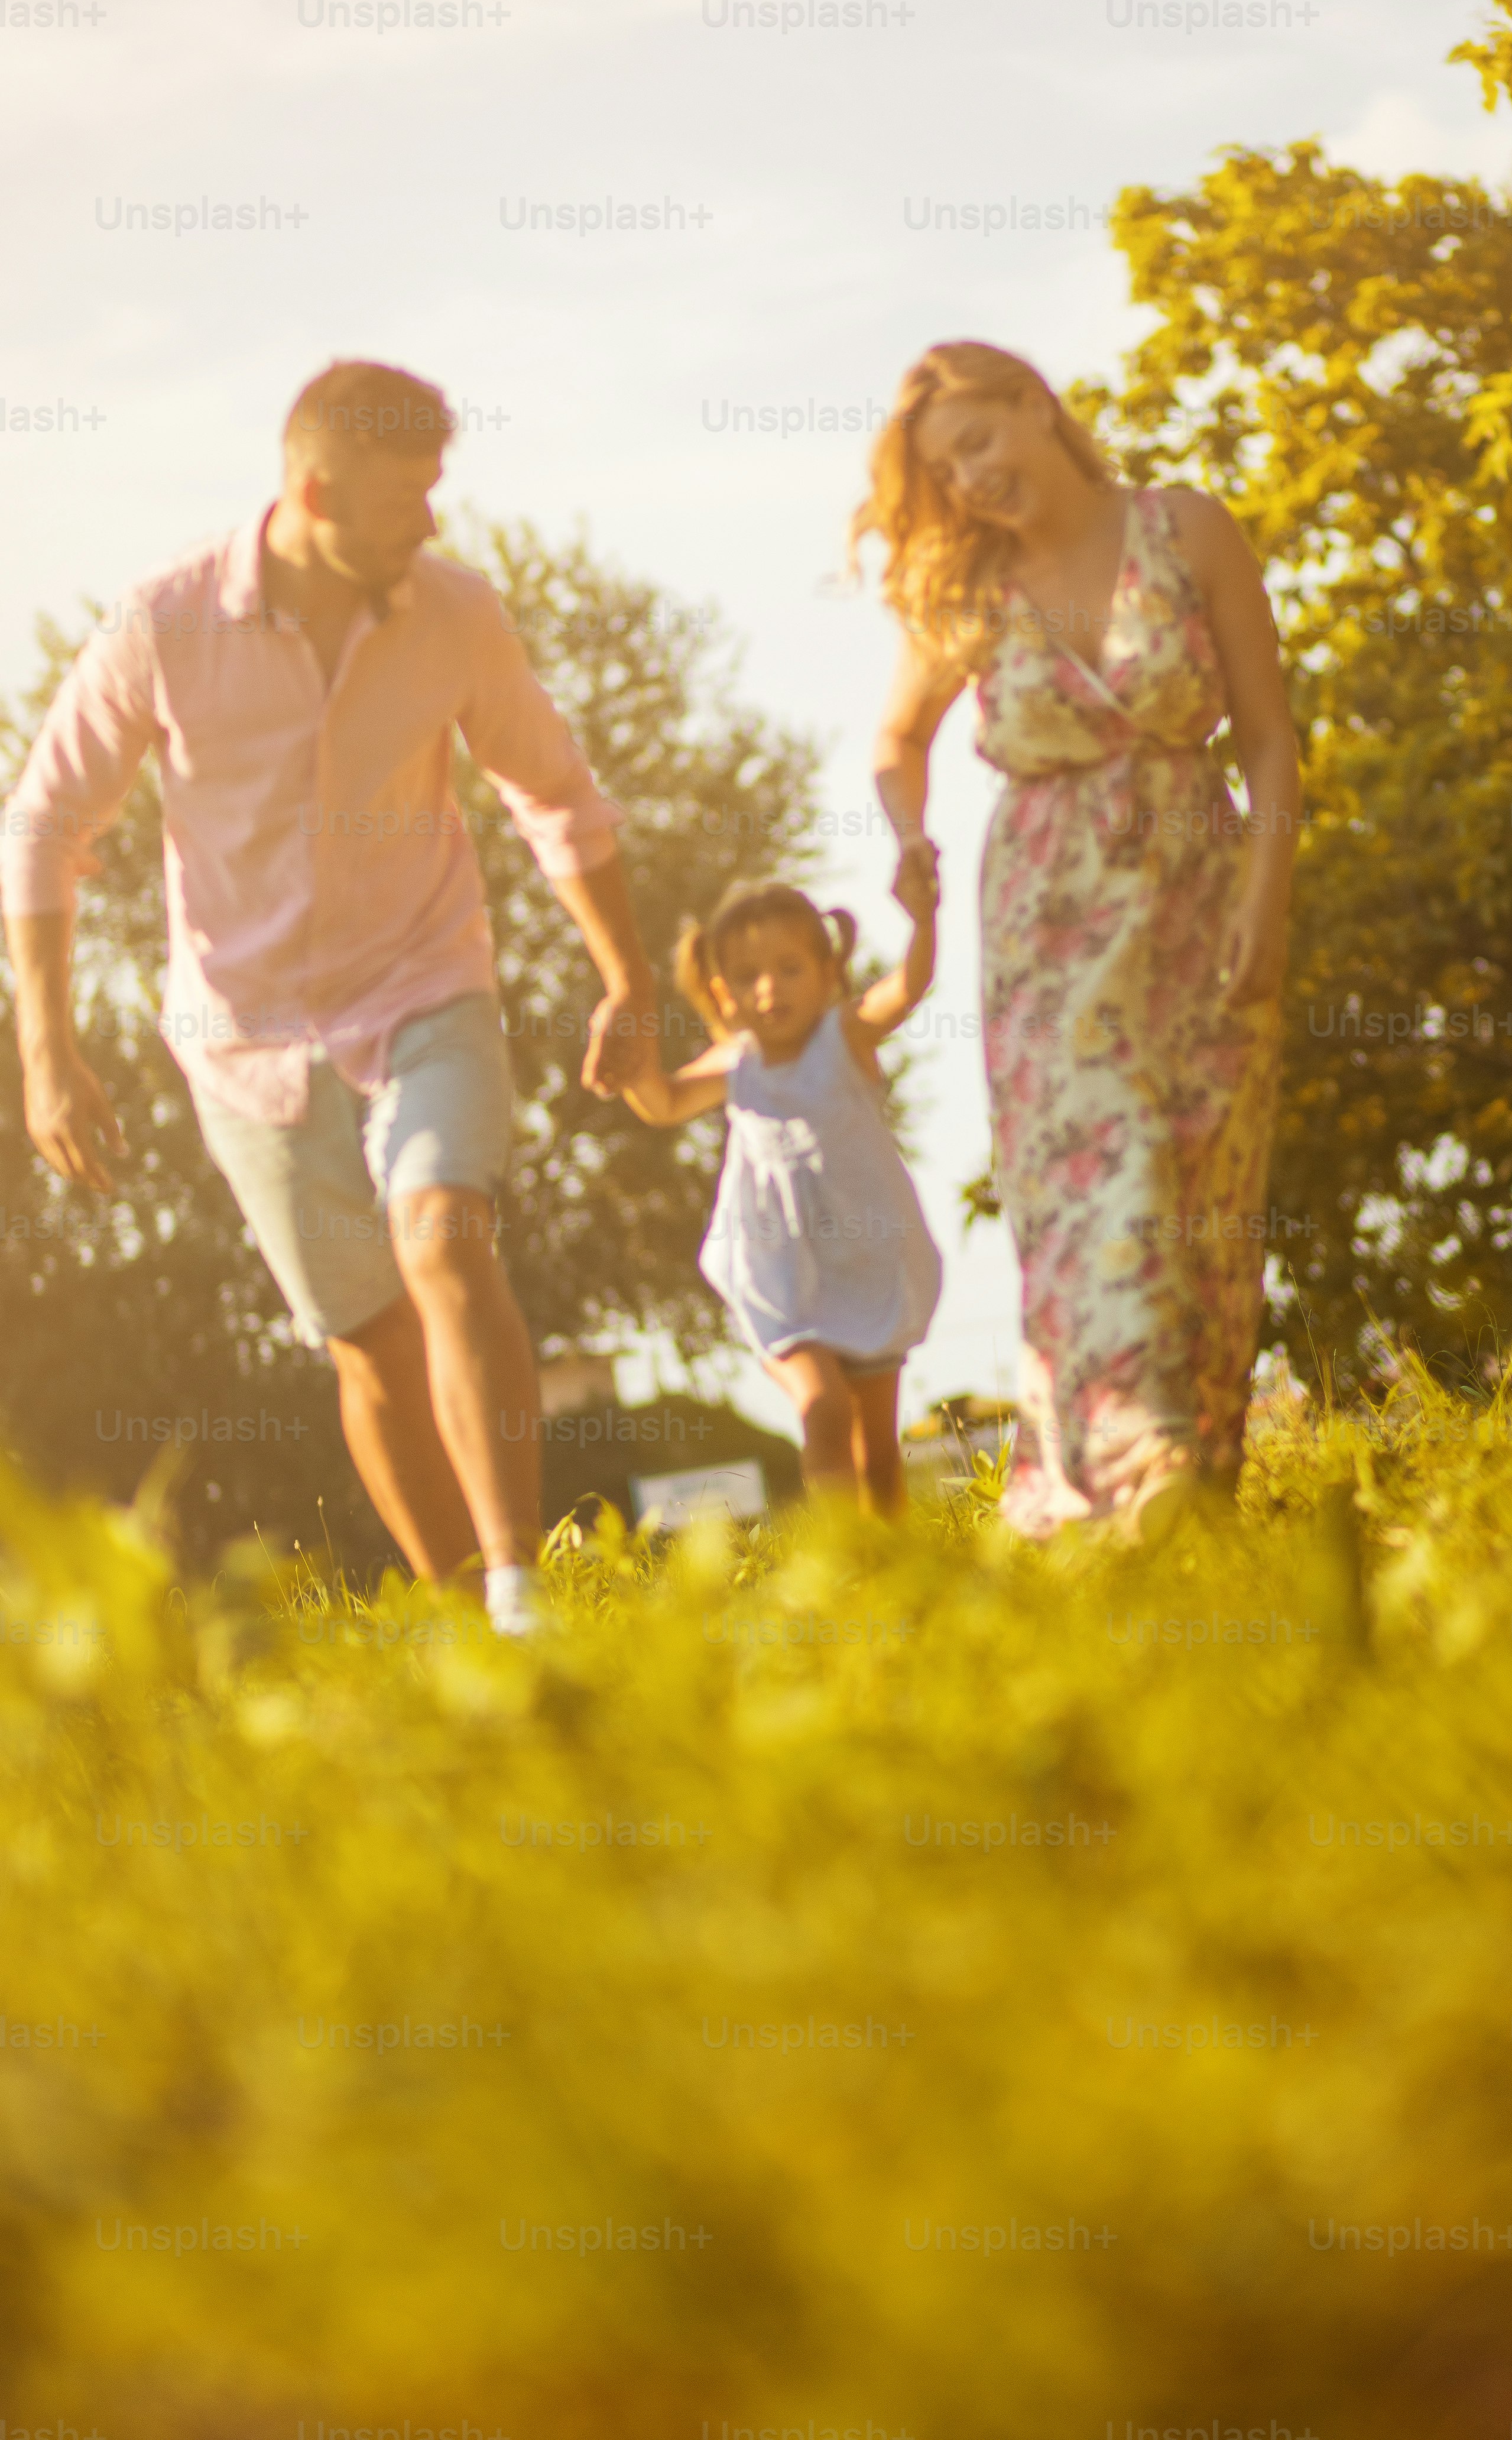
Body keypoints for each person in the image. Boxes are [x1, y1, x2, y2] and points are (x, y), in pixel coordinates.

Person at [1, 360, 657, 1632]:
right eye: (411, 494)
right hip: (238, 1028)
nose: (432, 520)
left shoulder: (457, 615)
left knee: (443, 1233)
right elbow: (41, 828)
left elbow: (557, 794)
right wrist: (48, 1050)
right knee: (367, 1335)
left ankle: (521, 1587)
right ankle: (460, 1613)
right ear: (316, 488)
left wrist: (627, 974)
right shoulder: (163, 623)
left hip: (422, 978)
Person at [859, 339, 1300, 1542]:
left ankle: (1187, 1487)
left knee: (1208, 1188)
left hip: (1203, 893)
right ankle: (1139, 1455)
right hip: (1050, 919)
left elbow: (1268, 740)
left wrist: (1269, 893)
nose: (971, 479)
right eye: (947, 469)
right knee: (1106, 1175)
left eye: (981, 442)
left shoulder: (1186, 529)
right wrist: (912, 847)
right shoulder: (969, 590)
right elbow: (897, 738)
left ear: (1036, 405)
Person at [616, 873, 942, 1515]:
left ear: (828, 972)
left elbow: (907, 988)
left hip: (866, 1263)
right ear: (723, 994)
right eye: (748, 976)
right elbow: (664, 1102)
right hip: (783, 1273)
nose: (770, 990)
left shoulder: (842, 1038)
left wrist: (924, 922)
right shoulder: (739, 1061)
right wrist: (631, 1067)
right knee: (822, 1407)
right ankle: (842, 1556)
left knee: (877, 1452)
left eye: (790, 969)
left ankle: (897, 1576)